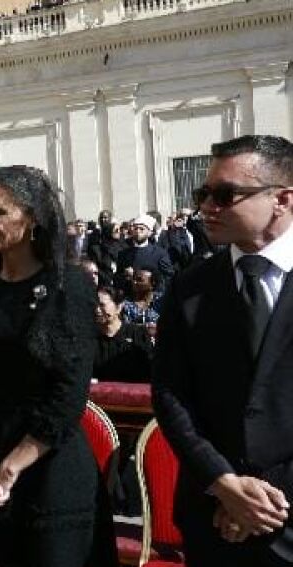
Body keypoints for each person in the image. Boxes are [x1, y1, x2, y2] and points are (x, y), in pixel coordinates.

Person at [0, 165, 117, 567]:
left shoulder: (70, 285)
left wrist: (9, 470)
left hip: (51, 471)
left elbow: (67, 397)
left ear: (31, 220)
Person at [153, 135, 293, 567]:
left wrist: (261, 506)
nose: (207, 207)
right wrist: (225, 485)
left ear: (282, 200)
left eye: (225, 194)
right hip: (212, 519)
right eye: (202, 194)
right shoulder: (190, 287)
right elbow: (171, 395)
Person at [93, 286, 152, 383]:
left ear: (118, 307)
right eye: (94, 305)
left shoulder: (137, 334)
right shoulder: (89, 337)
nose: (97, 310)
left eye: (102, 305)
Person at [116, 214, 174, 290]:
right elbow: (117, 279)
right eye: (136, 228)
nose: (138, 231)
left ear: (149, 233)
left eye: (141, 229)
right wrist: (125, 276)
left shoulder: (159, 253)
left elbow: (168, 277)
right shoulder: (123, 254)